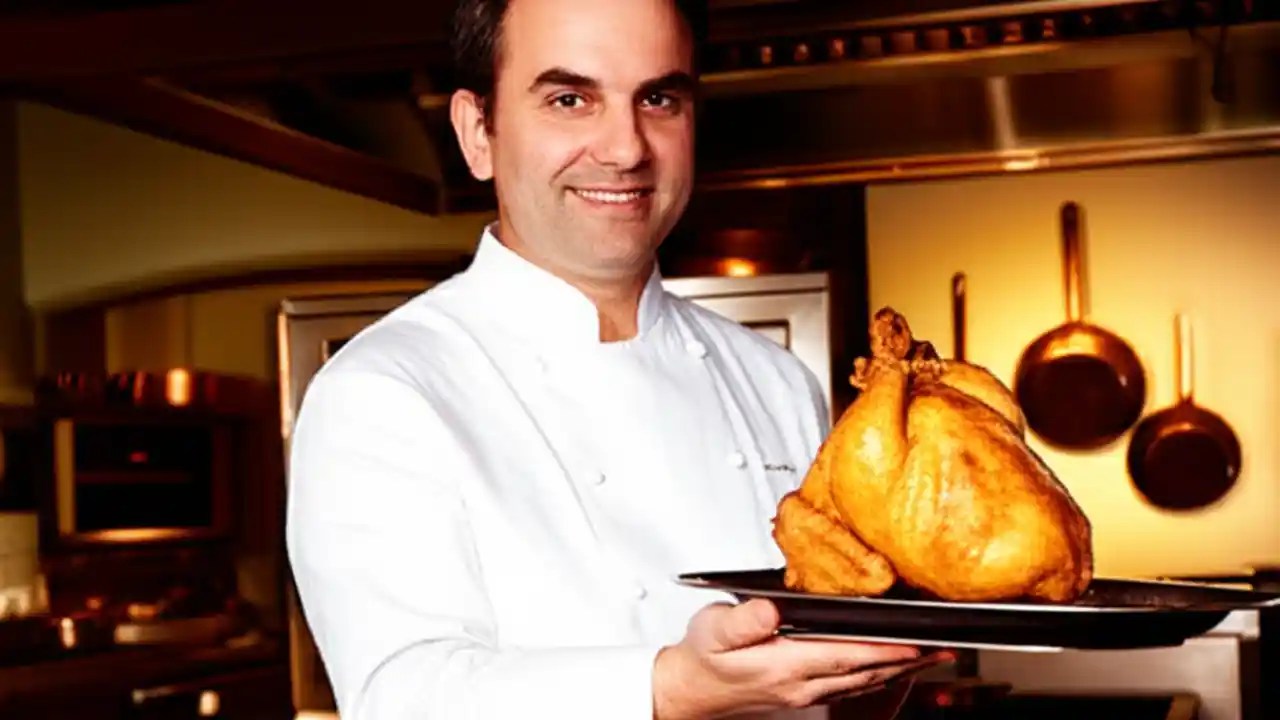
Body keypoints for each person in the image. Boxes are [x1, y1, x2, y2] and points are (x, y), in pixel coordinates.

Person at [285, 0, 947, 718]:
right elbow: (401, 695)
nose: (626, 149)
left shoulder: (776, 379)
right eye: (570, 100)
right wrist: (671, 687)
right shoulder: (383, 391)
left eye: (658, 100)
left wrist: (882, 664)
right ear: (478, 132)